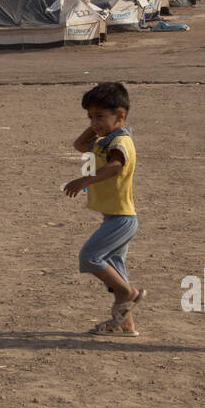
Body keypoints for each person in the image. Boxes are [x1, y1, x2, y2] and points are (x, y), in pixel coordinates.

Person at [63, 82, 145, 336]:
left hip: (121, 219)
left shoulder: (121, 141)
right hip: (114, 217)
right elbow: (79, 145)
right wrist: (96, 126)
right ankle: (124, 323)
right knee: (116, 268)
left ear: (120, 116)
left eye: (99, 116)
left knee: (89, 257)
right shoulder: (103, 140)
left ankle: (128, 293)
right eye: (90, 116)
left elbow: (116, 166)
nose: (94, 122)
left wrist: (85, 180)